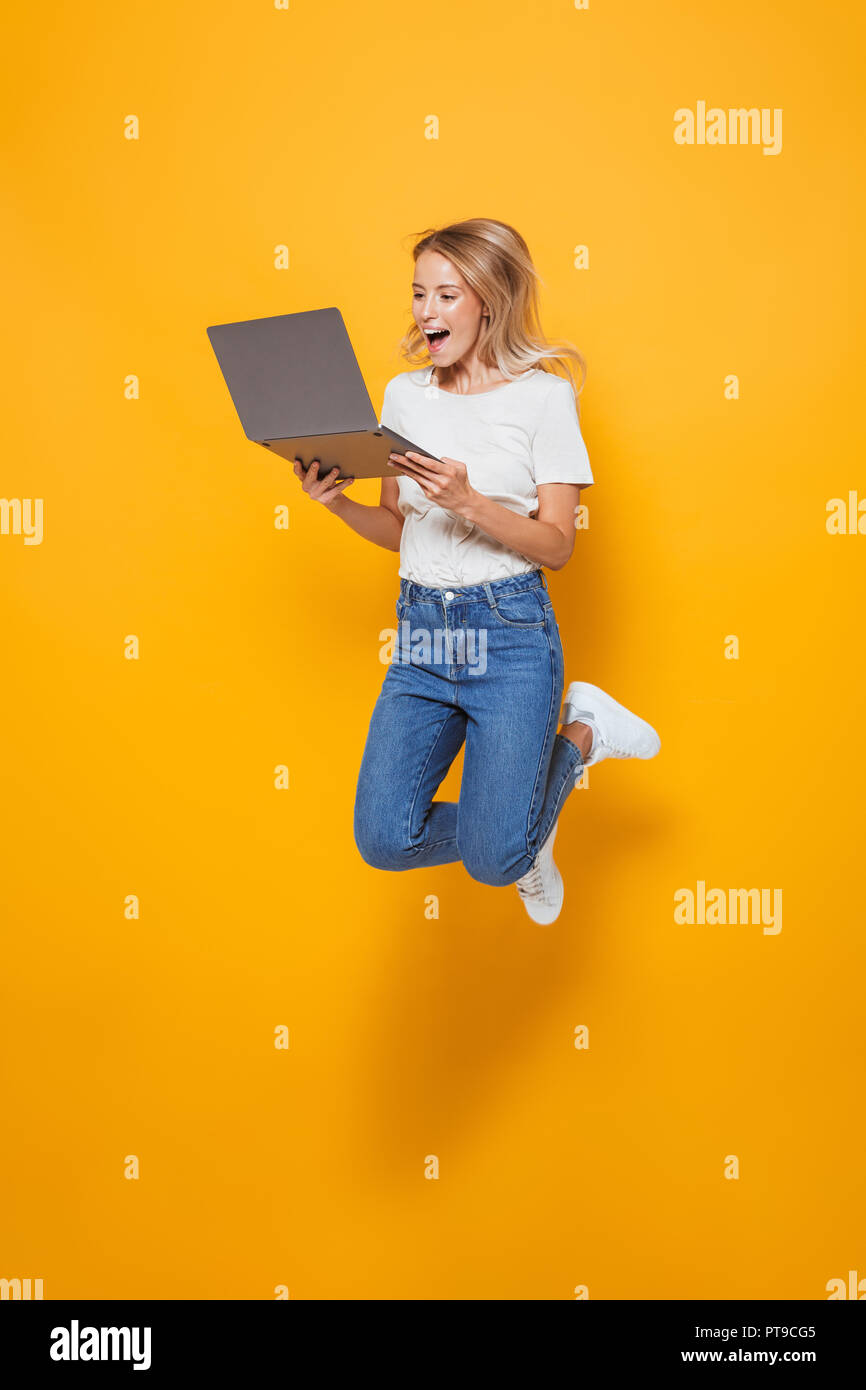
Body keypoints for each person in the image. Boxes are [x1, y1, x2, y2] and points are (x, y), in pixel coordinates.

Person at [293, 218, 659, 924]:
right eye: (418, 295)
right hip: (425, 637)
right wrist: (337, 506)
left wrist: (469, 501)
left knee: (497, 861)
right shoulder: (405, 397)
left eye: (445, 296)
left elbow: (557, 545)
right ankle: (526, 825)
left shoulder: (543, 399)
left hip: (512, 635)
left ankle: (583, 732)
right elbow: (400, 527)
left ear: (489, 301)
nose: (426, 312)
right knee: (386, 838)